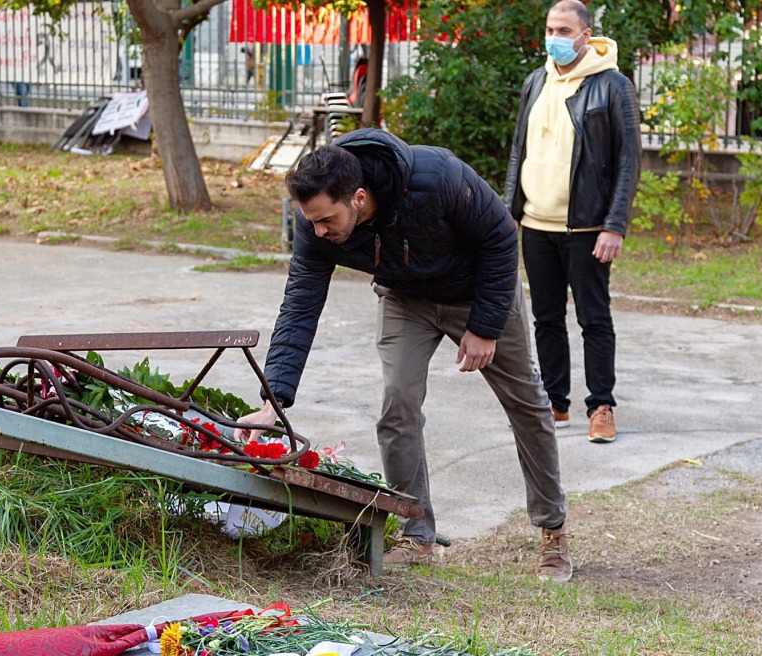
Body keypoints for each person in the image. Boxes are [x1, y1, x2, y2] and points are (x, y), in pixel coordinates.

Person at [235, 130, 572, 582]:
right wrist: (272, 403)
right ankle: (416, 535)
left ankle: (553, 531)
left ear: (357, 197)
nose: (318, 231)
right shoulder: (315, 222)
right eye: (311, 221)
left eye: (326, 220)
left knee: (527, 403)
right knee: (398, 403)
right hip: (404, 298)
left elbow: (500, 237)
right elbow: (300, 304)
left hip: (478, 292)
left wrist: (485, 328)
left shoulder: (437, 178)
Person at [503, 0, 641, 444]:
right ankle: (554, 402)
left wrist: (614, 224)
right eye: (550, 29)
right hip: (537, 225)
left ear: (586, 35)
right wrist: (510, 215)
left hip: (586, 227)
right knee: (545, 318)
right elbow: (518, 152)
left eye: (564, 30)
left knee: (593, 319)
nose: (555, 38)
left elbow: (628, 161)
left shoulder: (612, 85)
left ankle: (601, 406)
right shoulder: (536, 81)